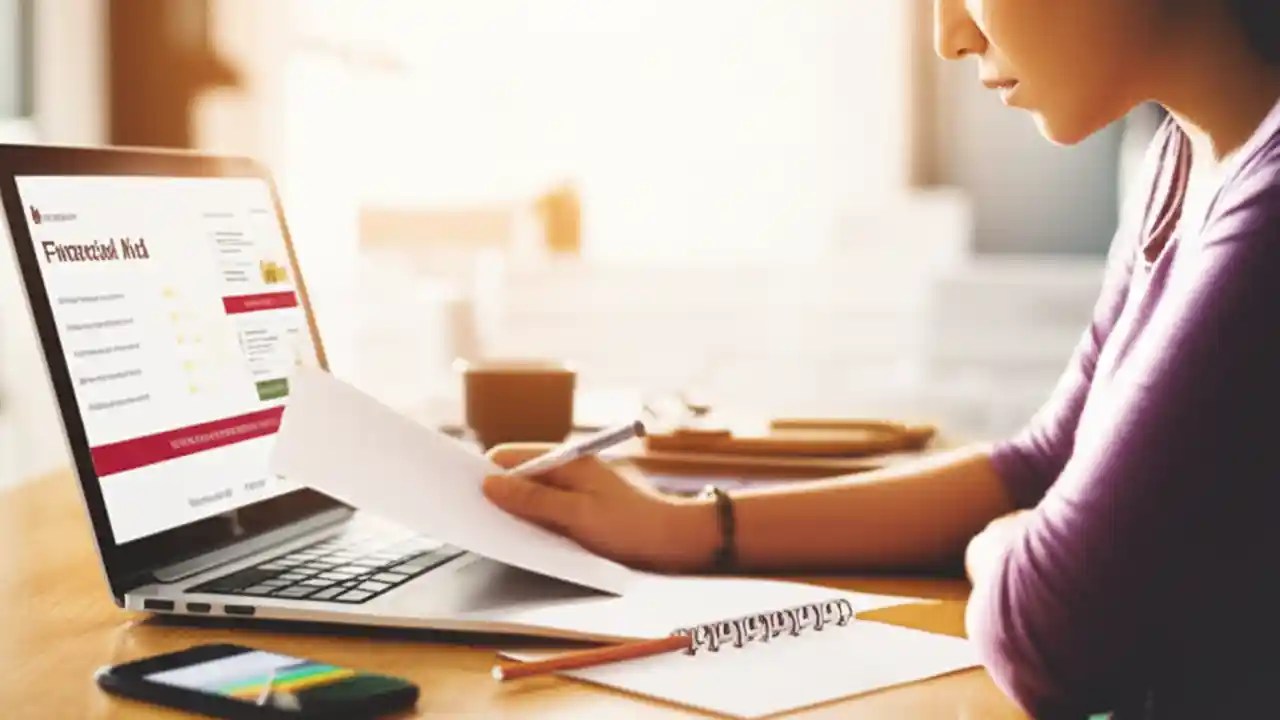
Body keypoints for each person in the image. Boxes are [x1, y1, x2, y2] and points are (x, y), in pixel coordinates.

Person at [483, 1, 1280, 716]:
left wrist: (999, 544)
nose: (947, 37)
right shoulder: (1180, 157)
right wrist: (677, 527)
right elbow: (1044, 465)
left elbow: (1053, 631)